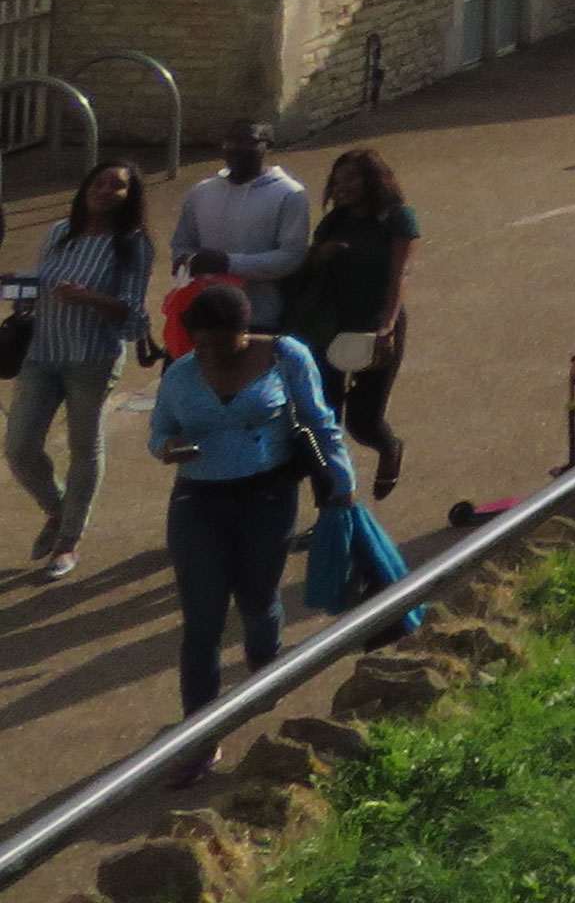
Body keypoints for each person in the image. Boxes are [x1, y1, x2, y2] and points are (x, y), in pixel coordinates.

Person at [149, 284, 352, 777]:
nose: (212, 354)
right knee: (202, 624)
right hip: (198, 503)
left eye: (225, 343)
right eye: (202, 344)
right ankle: (199, 738)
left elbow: (319, 422)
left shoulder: (286, 356)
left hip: (268, 498)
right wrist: (169, 448)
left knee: (258, 600)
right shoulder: (180, 373)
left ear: (247, 331)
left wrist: (342, 484)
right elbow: (158, 433)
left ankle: (266, 661)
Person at [11, 160, 151, 580]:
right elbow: (42, 285)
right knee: (19, 448)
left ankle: (69, 541)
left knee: (83, 446)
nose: (107, 190)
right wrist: (19, 290)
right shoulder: (59, 233)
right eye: (101, 181)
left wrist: (90, 298)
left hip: (92, 357)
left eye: (119, 186)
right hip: (42, 353)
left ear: (129, 198)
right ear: (87, 185)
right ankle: (57, 511)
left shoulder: (133, 244)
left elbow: (133, 314)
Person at [285, 147, 417, 501]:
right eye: (337, 179)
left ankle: (389, 448)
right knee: (323, 423)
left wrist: (386, 330)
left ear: (373, 180)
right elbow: (305, 271)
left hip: (375, 328)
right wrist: (318, 255)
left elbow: (399, 276)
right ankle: (332, 504)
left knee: (363, 421)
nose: (342, 186)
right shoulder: (333, 223)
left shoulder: (397, 218)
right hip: (328, 331)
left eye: (352, 178)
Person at [172, 124, 308, 331]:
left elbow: (291, 256)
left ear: (268, 145)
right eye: (230, 142)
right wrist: (186, 260)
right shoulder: (201, 192)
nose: (236, 149)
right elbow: (182, 243)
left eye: (247, 143)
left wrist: (229, 263)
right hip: (201, 316)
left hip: (258, 318)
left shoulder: (289, 194)